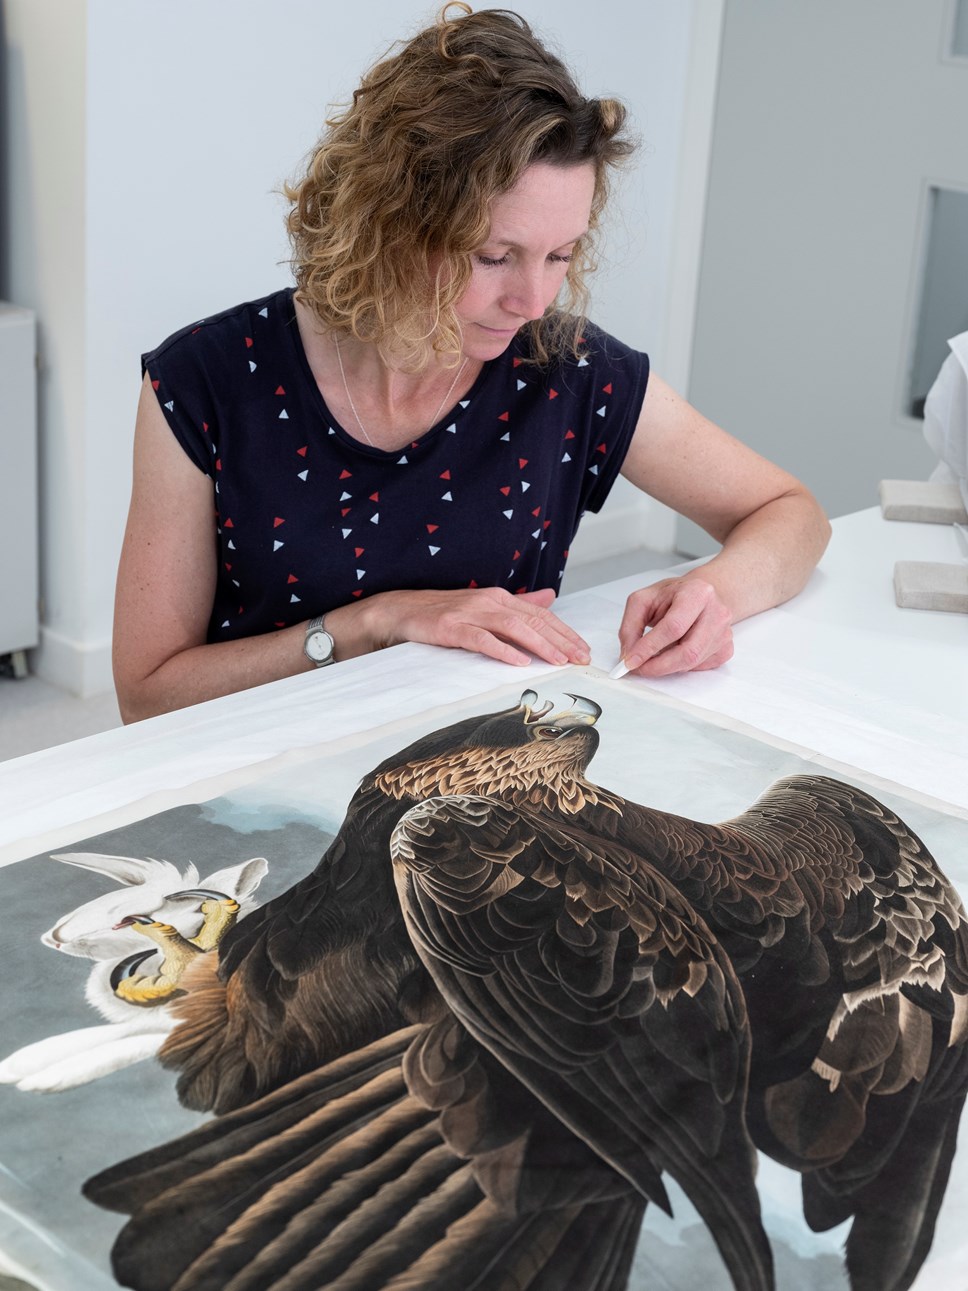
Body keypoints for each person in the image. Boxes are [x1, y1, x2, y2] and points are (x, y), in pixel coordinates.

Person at [113, 4, 830, 724]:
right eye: (495, 256)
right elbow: (146, 695)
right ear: (389, 220)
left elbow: (790, 514)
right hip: (254, 771)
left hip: (482, 783)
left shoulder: (568, 367)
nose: (532, 298)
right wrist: (374, 622)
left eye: (561, 255)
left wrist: (713, 595)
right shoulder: (206, 381)